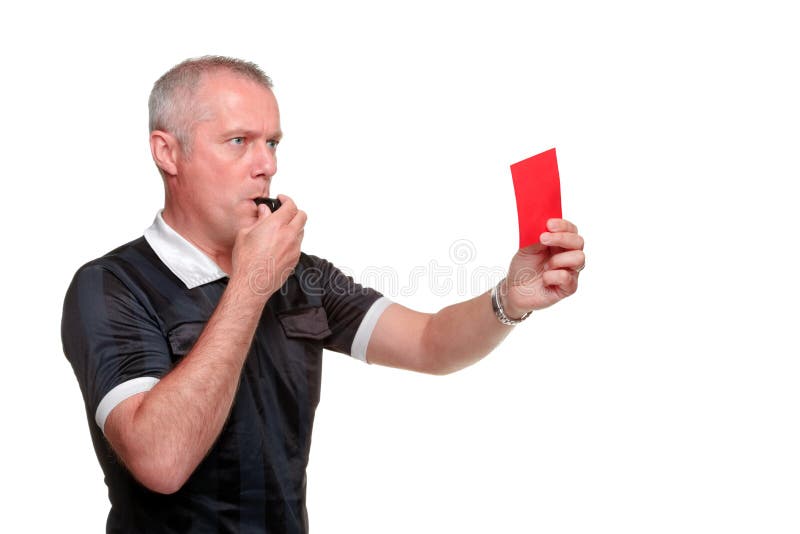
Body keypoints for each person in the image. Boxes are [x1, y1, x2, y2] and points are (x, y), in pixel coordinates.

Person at [62, 55, 586, 533]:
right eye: (238, 141)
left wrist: (511, 299)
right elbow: (161, 462)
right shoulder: (111, 285)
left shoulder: (301, 276)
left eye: (273, 142)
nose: (265, 164)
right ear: (167, 152)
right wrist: (250, 285)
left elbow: (430, 343)